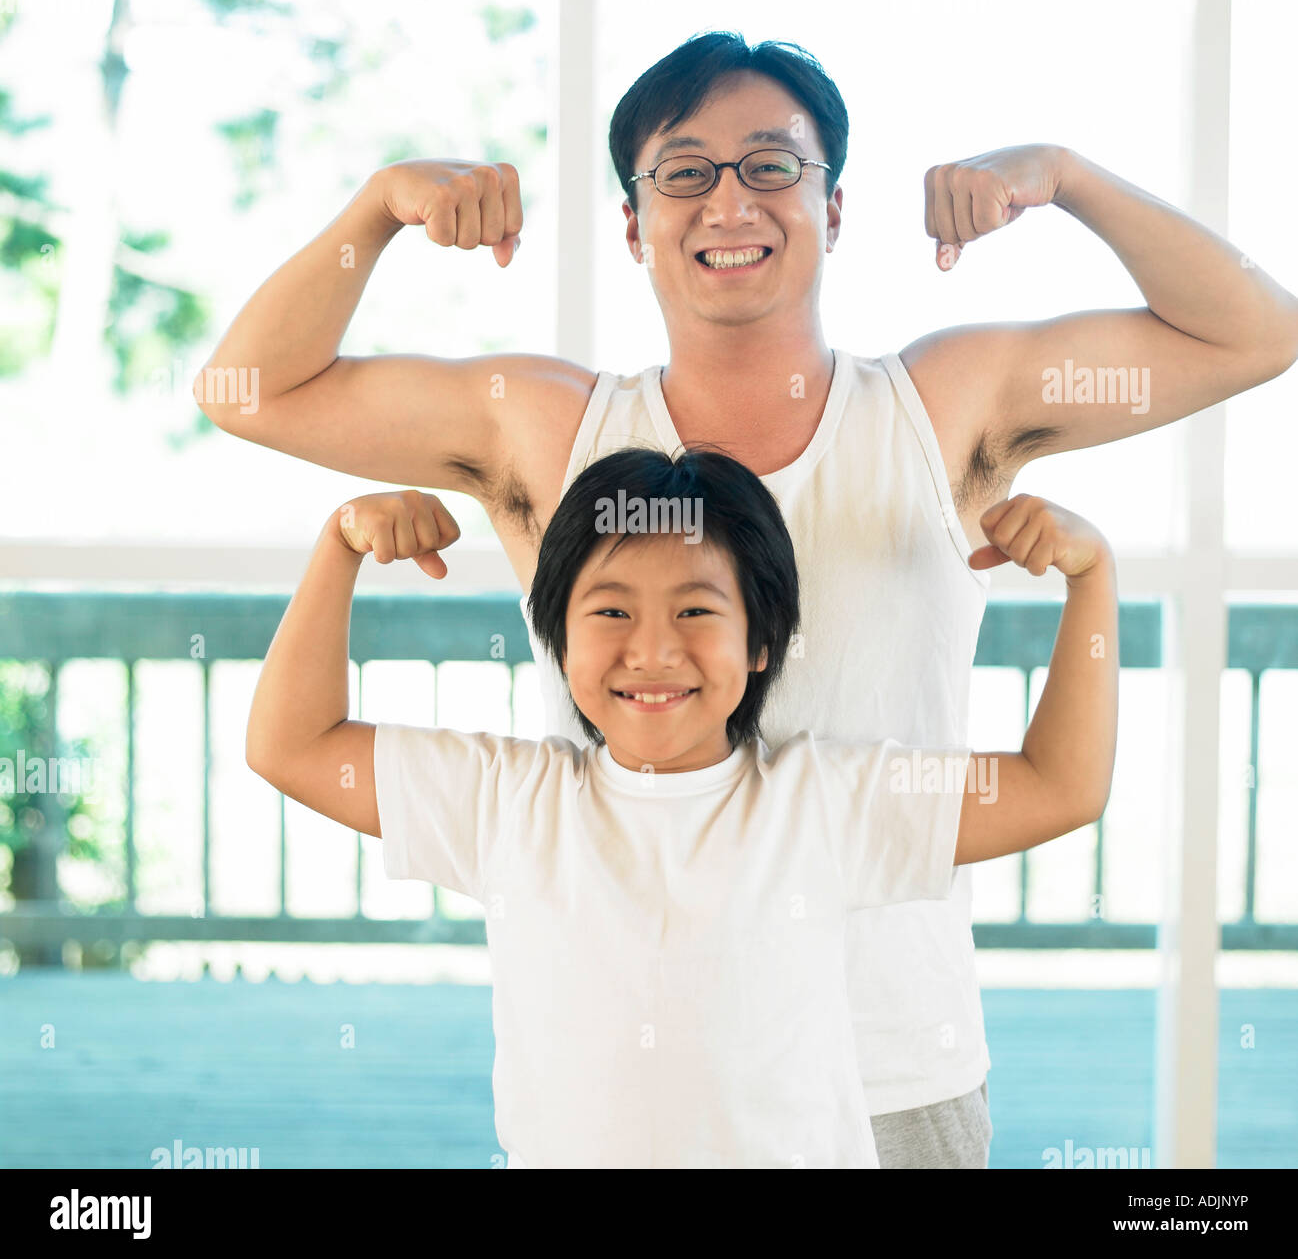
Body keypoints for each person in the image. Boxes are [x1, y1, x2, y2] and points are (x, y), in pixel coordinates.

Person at [200, 31, 1297, 1166]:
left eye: (773, 165)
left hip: (893, 1070)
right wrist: (376, 210)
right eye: (685, 171)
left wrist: (1062, 178)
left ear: (833, 209)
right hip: (632, 1083)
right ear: (633, 223)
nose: (731, 201)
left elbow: (1254, 331)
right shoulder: (543, 427)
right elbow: (245, 391)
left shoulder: (943, 404)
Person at [245, 446, 1118, 1169]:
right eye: (611, 609)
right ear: (556, 635)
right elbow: (293, 745)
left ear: (762, 638)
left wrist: (1092, 580)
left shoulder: (825, 803)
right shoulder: (507, 802)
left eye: (696, 609)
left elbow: (1058, 785)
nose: (653, 650)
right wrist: (338, 550)